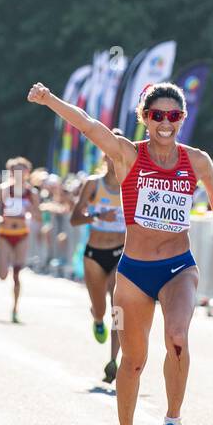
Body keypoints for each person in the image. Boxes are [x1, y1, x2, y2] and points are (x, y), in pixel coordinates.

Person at [29, 80, 213, 425]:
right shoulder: (128, 154)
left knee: (177, 336)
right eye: (156, 115)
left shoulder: (196, 160)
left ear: (182, 119)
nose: (164, 123)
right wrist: (50, 100)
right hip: (135, 271)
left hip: (179, 266)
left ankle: (173, 422)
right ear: (145, 117)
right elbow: (89, 125)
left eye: (173, 116)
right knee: (134, 361)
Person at [70, 133, 127, 383]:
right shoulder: (93, 184)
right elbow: (74, 219)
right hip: (94, 253)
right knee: (101, 308)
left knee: (119, 306)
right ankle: (96, 319)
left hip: (120, 253)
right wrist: (96, 217)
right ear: (105, 156)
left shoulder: (131, 186)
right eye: (111, 153)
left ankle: (113, 360)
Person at [0, 156, 37, 323]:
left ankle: (15, 309)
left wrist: (31, 211)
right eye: (16, 170)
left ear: (27, 173)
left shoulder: (31, 193)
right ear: (11, 173)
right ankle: (2, 262)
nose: (20, 173)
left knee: (16, 274)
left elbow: (39, 215)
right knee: (2, 275)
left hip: (22, 234)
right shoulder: (4, 189)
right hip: (5, 233)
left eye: (23, 170)